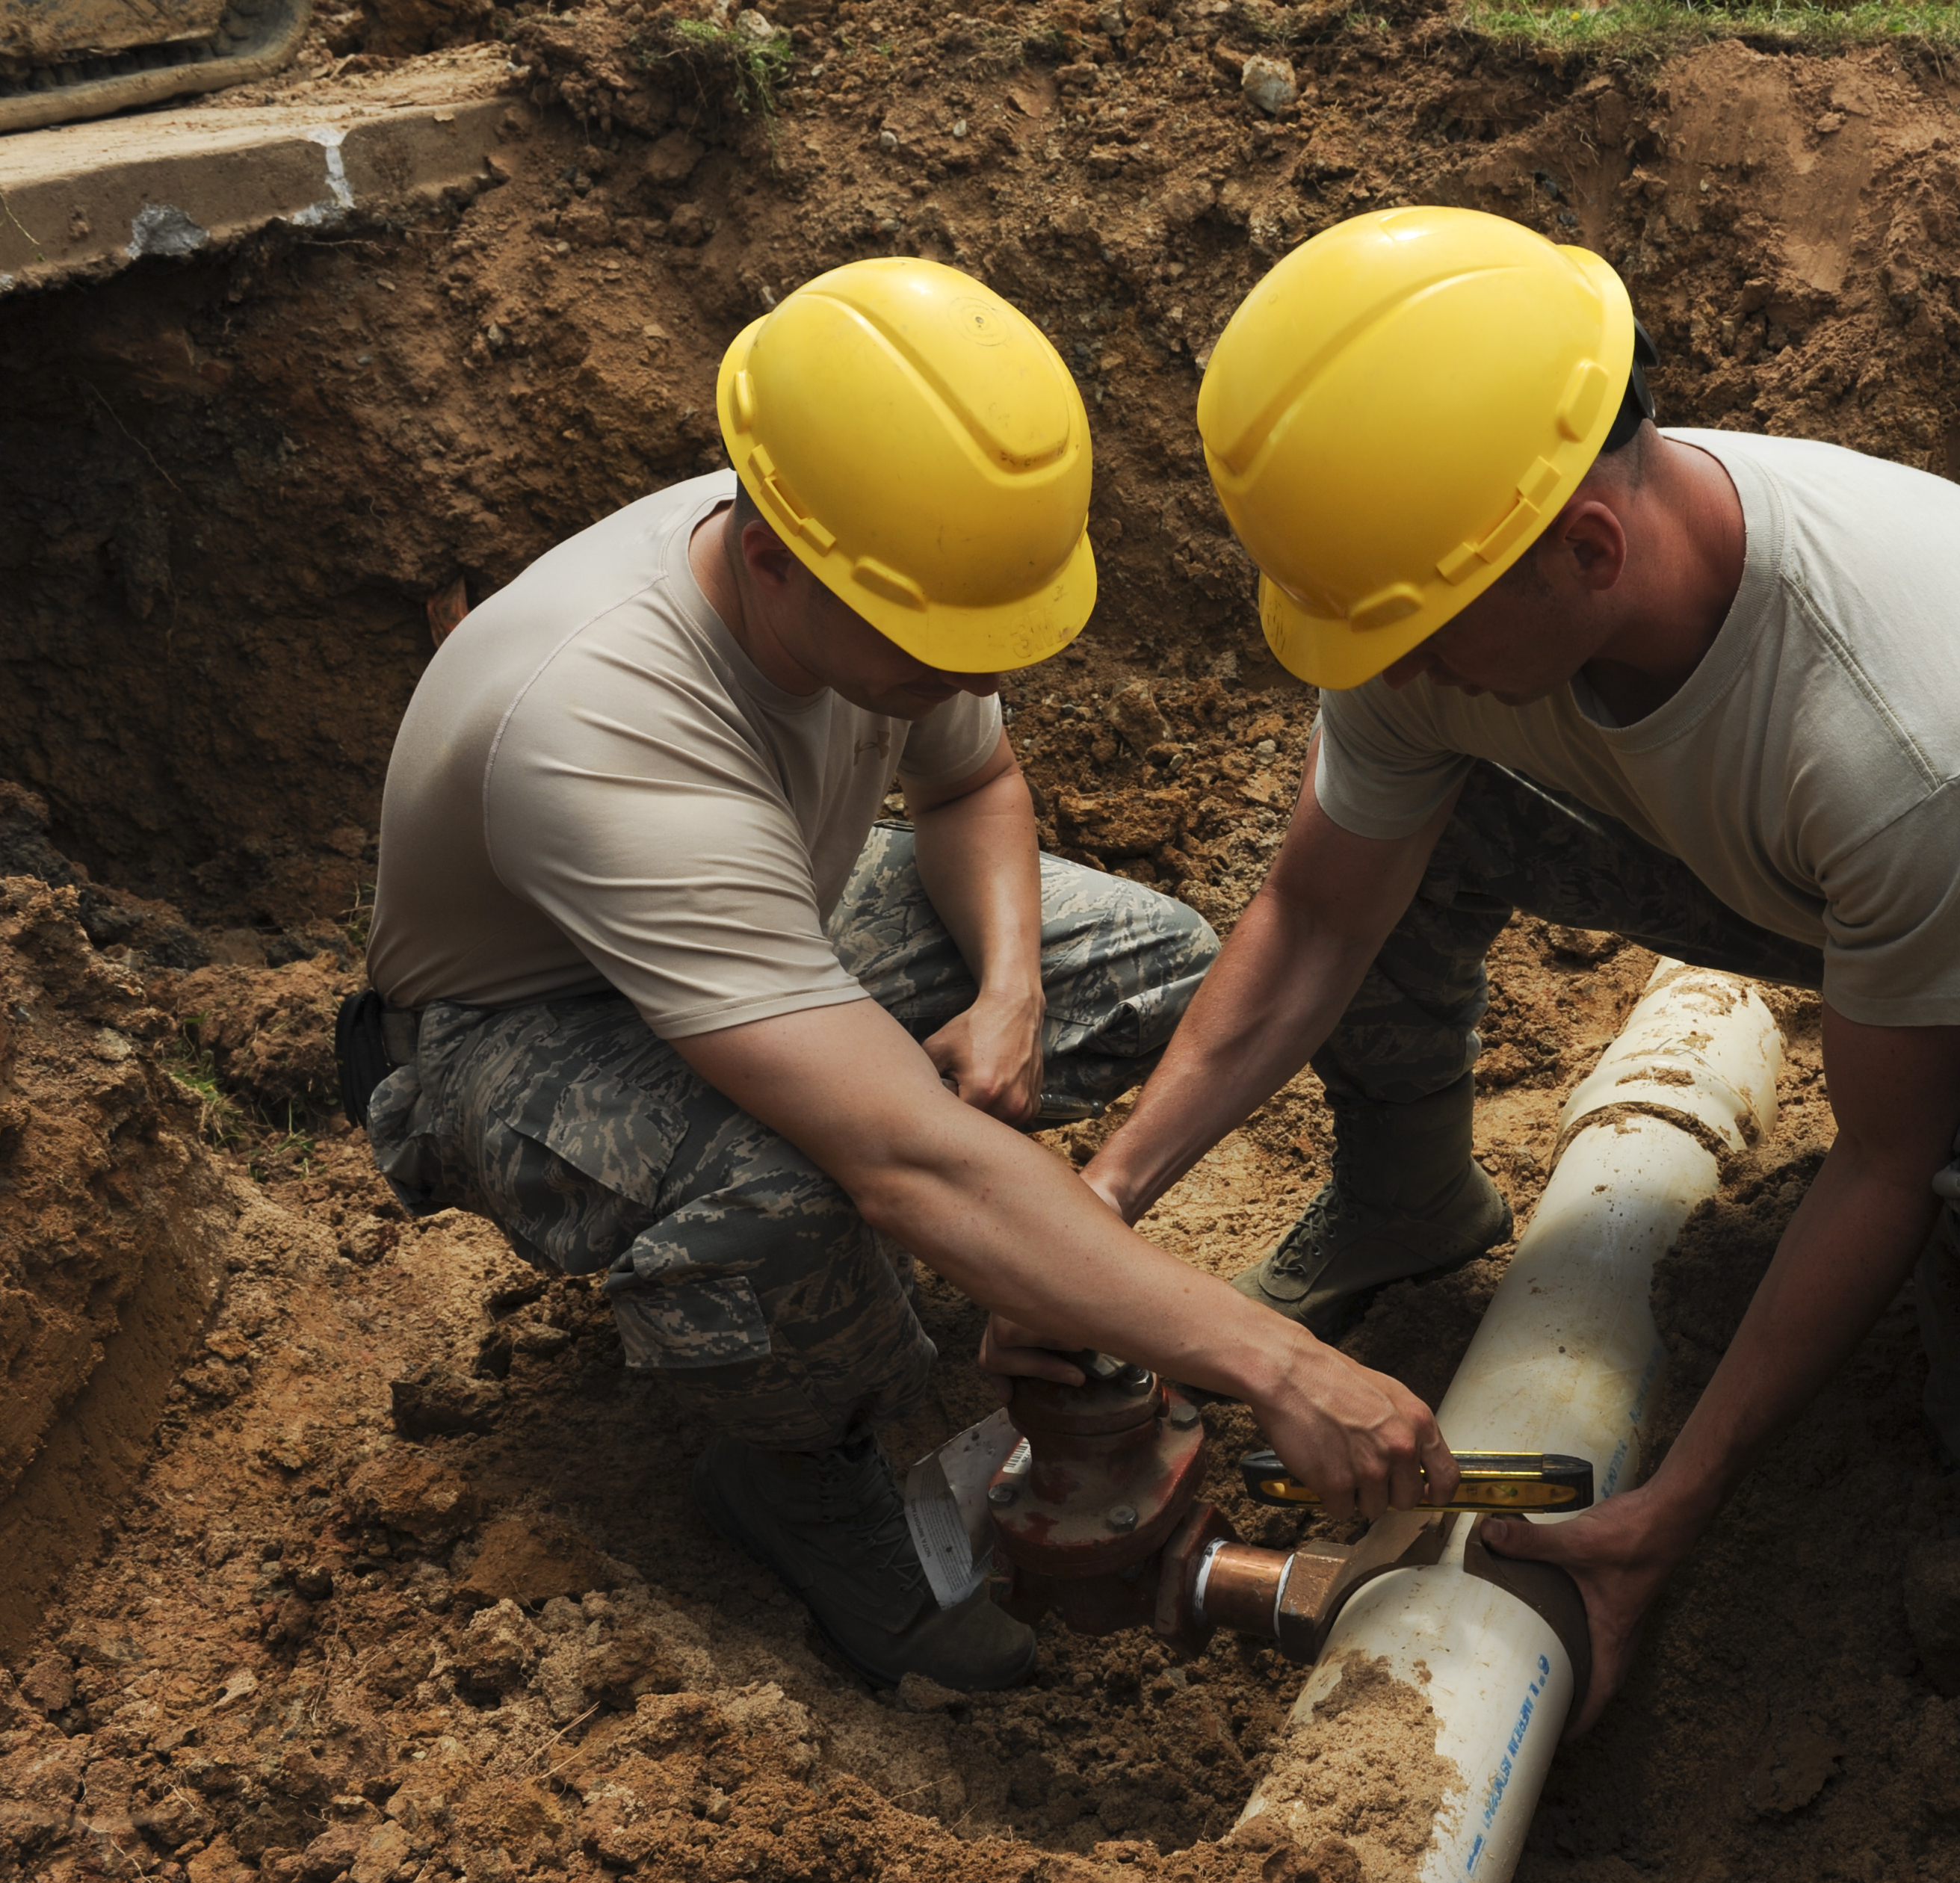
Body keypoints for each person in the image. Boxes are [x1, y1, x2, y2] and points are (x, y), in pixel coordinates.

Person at [1072, 208, 1960, 1733]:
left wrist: (1672, 1503)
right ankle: (1405, 1195)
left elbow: (1875, 1154)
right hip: (1783, 862)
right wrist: (1096, 1207)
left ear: (1588, 549)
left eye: (1418, 636)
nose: (1389, 669)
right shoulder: (1452, 577)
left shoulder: (1910, 723)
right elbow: (1320, 916)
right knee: (1410, 829)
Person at [345, 259, 1453, 1696]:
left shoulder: (876, 545)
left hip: (758, 908)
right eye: (934, 651)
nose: (957, 674)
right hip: (519, 1026)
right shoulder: (600, 718)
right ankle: (793, 1471)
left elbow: (971, 781)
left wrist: (1009, 989)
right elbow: (897, 1161)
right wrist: (1280, 1366)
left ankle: (1002, 1276)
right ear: (766, 566)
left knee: (1153, 963)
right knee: (794, 1192)